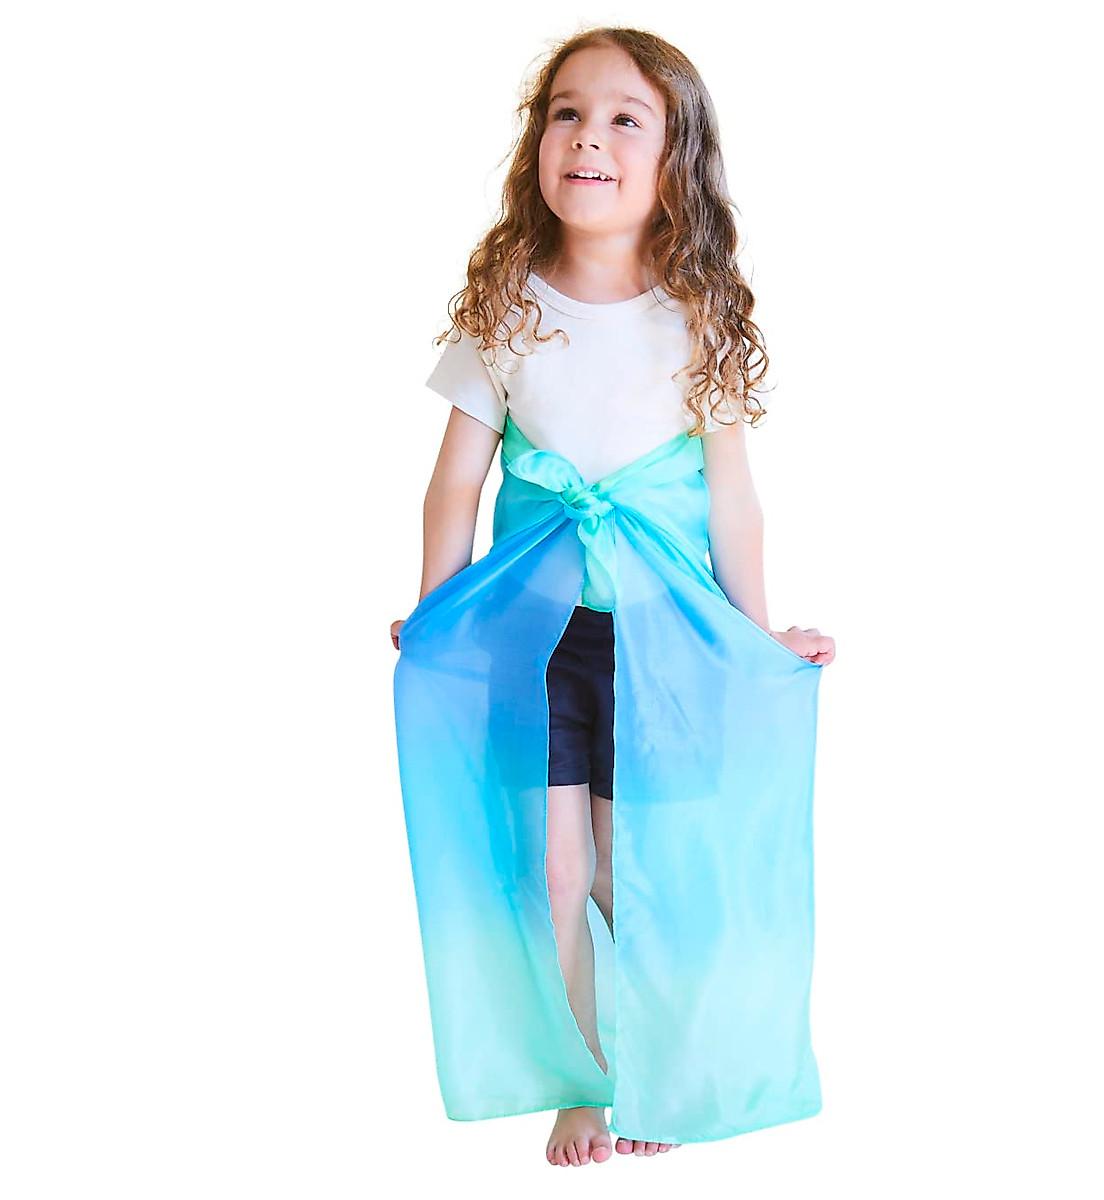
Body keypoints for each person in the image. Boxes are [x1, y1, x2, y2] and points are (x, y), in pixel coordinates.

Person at [390, 27, 836, 1168]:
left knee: (636, 871)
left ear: (675, 159)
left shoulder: (700, 319)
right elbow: (455, 483)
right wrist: (438, 615)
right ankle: (580, 1080)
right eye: (566, 113)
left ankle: (662, 1067)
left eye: (624, 118)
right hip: (530, 644)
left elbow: (733, 502)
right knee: (555, 873)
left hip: (657, 642)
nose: (588, 136)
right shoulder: (504, 309)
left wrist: (753, 637)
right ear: (537, 144)